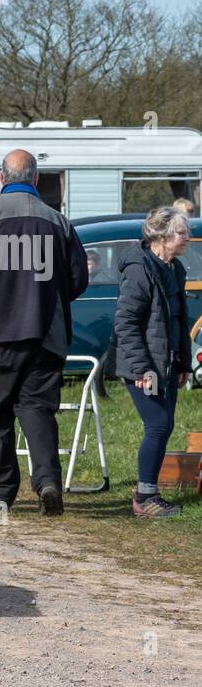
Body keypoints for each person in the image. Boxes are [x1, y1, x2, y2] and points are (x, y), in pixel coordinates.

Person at [0, 149, 89, 515]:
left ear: (1, 178)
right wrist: (52, 301)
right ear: (35, 179)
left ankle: (1, 492)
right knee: (38, 410)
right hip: (46, 335)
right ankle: (47, 482)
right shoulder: (58, 221)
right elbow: (79, 279)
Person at [113, 206, 194, 518]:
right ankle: (145, 496)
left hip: (168, 362)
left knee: (165, 424)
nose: (187, 237)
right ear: (161, 236)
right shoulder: (139, 269)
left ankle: (148, 492)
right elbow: (126, 323)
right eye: (181, 232)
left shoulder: (174, 268)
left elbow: (177, 320)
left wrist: (184, 363)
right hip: (143, 365)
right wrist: (140, 368)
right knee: (158, 424)